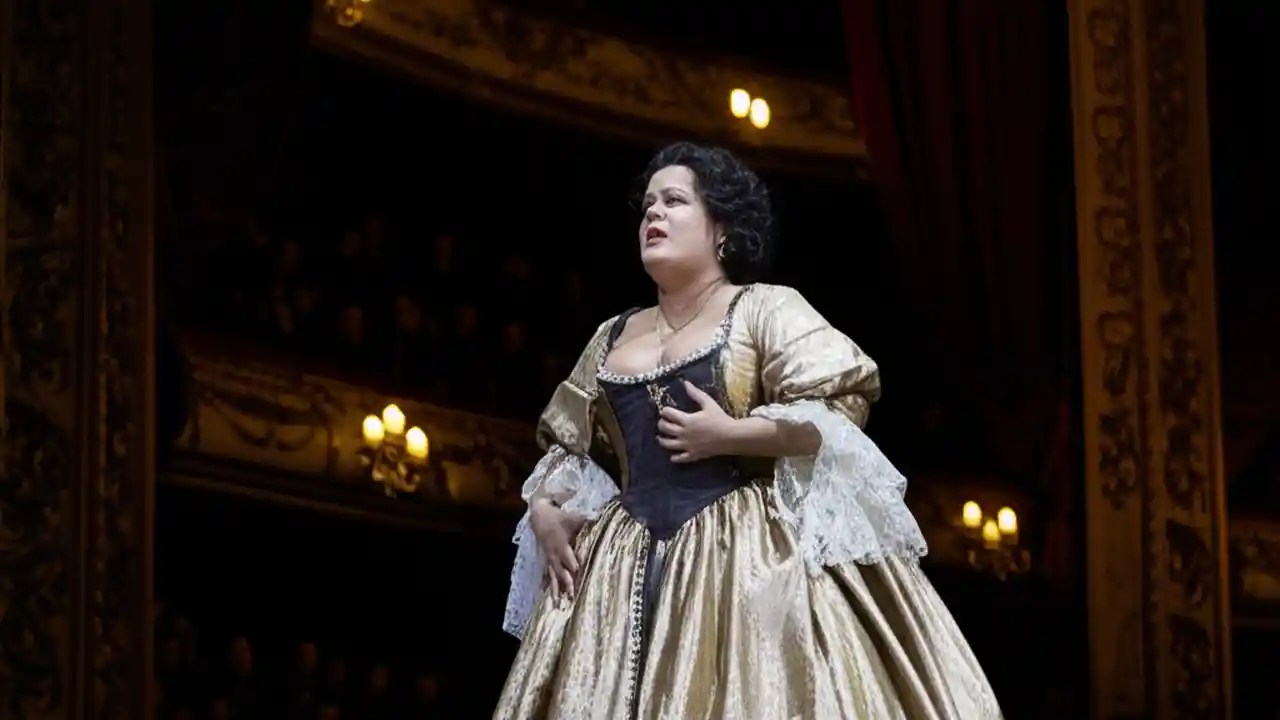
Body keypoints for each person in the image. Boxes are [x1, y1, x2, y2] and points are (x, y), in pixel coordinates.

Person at [494, 142, 1001, 719]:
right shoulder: (612, 334)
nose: (653, 214)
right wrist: (545, 508)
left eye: (675, 201)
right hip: (619, 564)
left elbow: (838, 408)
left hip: (743, 557)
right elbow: (569, 447)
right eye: (648, 206)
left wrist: (730, 434)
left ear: (722, 230)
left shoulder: (764, 309)